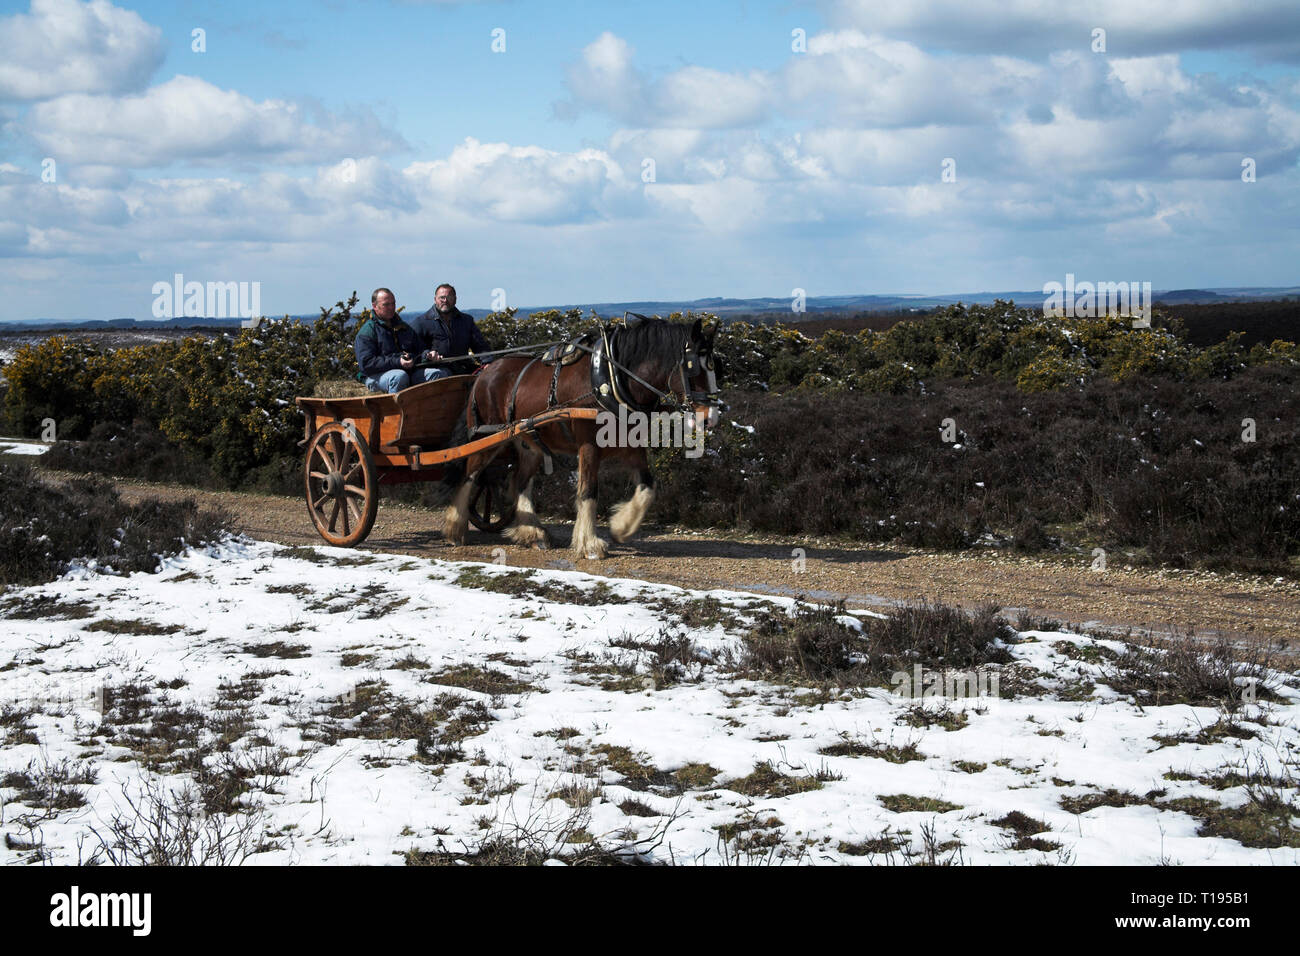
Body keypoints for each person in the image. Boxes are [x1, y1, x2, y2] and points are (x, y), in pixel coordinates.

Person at [354, 288, 447, 393]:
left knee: (438, 374)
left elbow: (419, 350)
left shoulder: (403, 327)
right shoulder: (367, 332)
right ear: (375, 306)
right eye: (386, 304)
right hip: (376, 376)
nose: (391, 307)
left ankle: (432, 408)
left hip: (408, 372)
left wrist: (428, 355)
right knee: (399, 377)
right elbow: (366, 364)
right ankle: (395, 409)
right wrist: (398, 361)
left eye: (393, 303)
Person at [408, 283, 494, 376]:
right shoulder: (421, 322)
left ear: (455, 300)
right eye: (442, 298)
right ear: (435, 299)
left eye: (449, 297)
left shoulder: (466, 321)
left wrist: (487, 362)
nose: (445, 301)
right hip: (435, 370)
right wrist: (426, 355)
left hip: (463, 368)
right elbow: (411, 350)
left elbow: (480, 346)